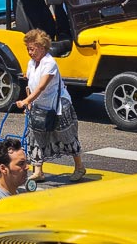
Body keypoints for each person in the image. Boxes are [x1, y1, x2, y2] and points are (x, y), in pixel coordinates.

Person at [16, 29, 85, 183]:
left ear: (42, 47)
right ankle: (38, 171)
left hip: (57, 105)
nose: (30, 52)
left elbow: (41, 87)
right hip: (39, 105)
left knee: (67, 136)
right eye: (28, 49)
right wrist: (29, 102)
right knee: (35, 136)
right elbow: (30, 85)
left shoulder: (50, 63)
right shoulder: (31, 63)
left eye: (32, 49)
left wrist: (26, 101)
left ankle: (79, 167)